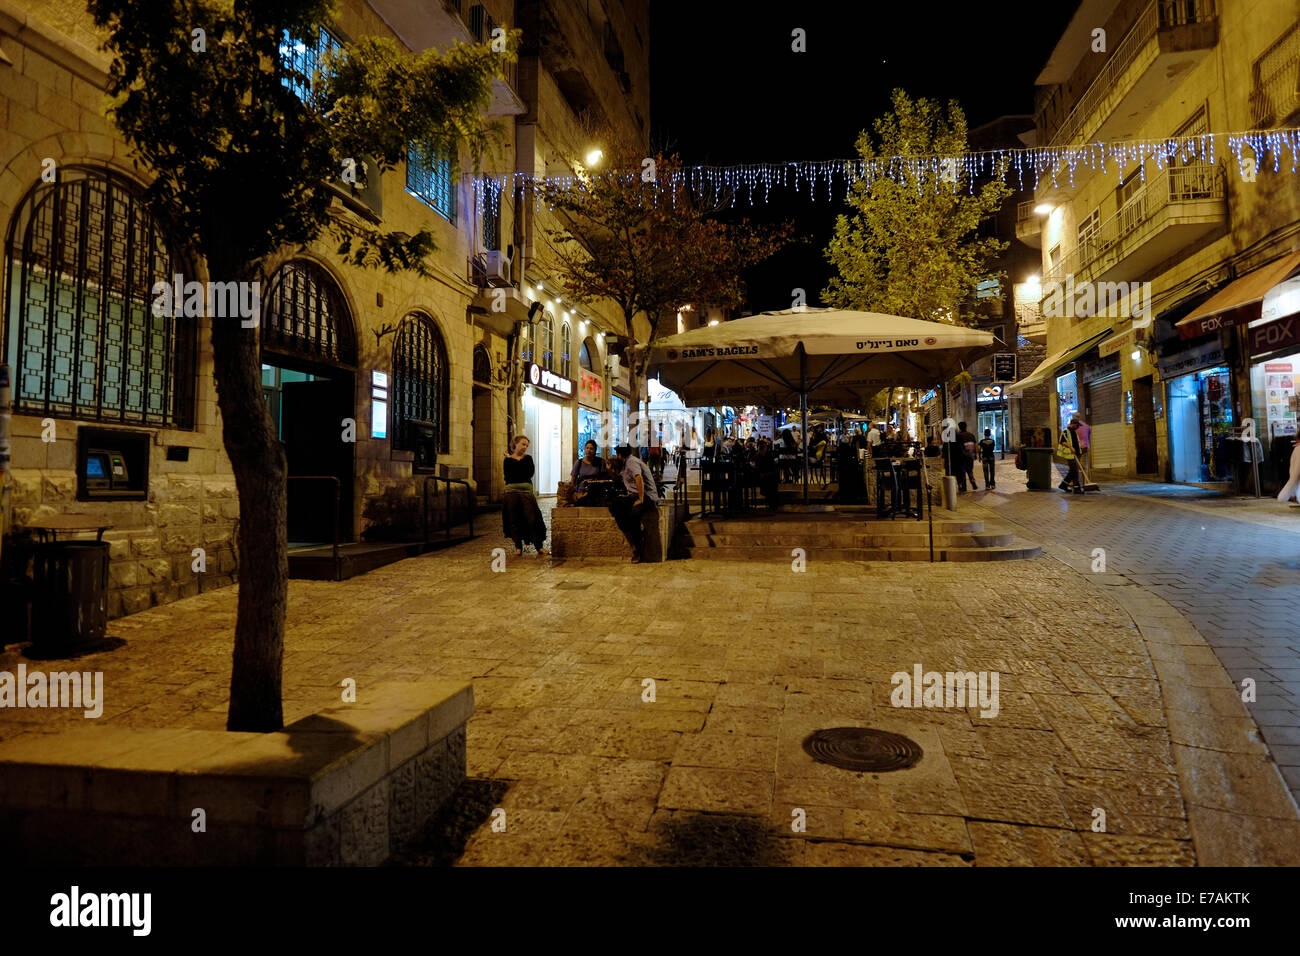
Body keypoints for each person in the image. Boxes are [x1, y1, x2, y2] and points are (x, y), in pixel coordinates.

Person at [609, 445, 658, 563]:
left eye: (617, 454)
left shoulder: (631, 462)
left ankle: (636, 546)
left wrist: (640, 499)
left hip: (646, 496)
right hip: (634, 495)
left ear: (620, 454)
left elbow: (638, 478)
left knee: (632, 514)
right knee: (615, 506)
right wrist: (610, 470)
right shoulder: (626, 464)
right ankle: (635, 540)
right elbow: (620, 480)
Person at [502, 435, 549, 556]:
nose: (525, 447)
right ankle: (518, 546)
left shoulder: (528, 459)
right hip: (511, 492)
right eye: (523, 444)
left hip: (526, 492)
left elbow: (528, 473)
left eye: (527, 445)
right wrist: (511, 460)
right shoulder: (507, 461)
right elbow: (509, 475)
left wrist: (513, 462)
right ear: (515, 444)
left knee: (532, 518)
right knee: (513, 519)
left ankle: (539, 546)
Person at [570, 439, 606, 505]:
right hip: (582, 492)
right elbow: (573, 480)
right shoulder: (579, 462)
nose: (589, 450)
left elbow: (603, 478)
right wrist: (574, 493)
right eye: (587, 448)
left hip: (596, 493)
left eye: (591, 449)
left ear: (595, 451)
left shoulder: (600, 462)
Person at [1056, 421, 1084, 494]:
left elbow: (1075, 442)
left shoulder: (1074, 432)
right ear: (1072, 424)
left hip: (1076, 454)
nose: (1078, 427)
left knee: (1072, 471)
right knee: (1074, 471)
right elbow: (1063, 442)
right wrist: (1071, 447)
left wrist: (1080, 448)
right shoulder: (1066, 431)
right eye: (1077, 425)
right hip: (1070, 455)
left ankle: (1063, 485)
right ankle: (1077, 489)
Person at [955, 421, 979, 493]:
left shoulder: (958, 436)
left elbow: (957, 447)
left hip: (962, 456)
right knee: (970, 470)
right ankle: (972, 480)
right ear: (966, 427)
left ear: (959, 427)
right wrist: (976, 454)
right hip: (970, 455)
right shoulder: (971, 435)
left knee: (962, 472)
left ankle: (964, 487)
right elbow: (975, 445)